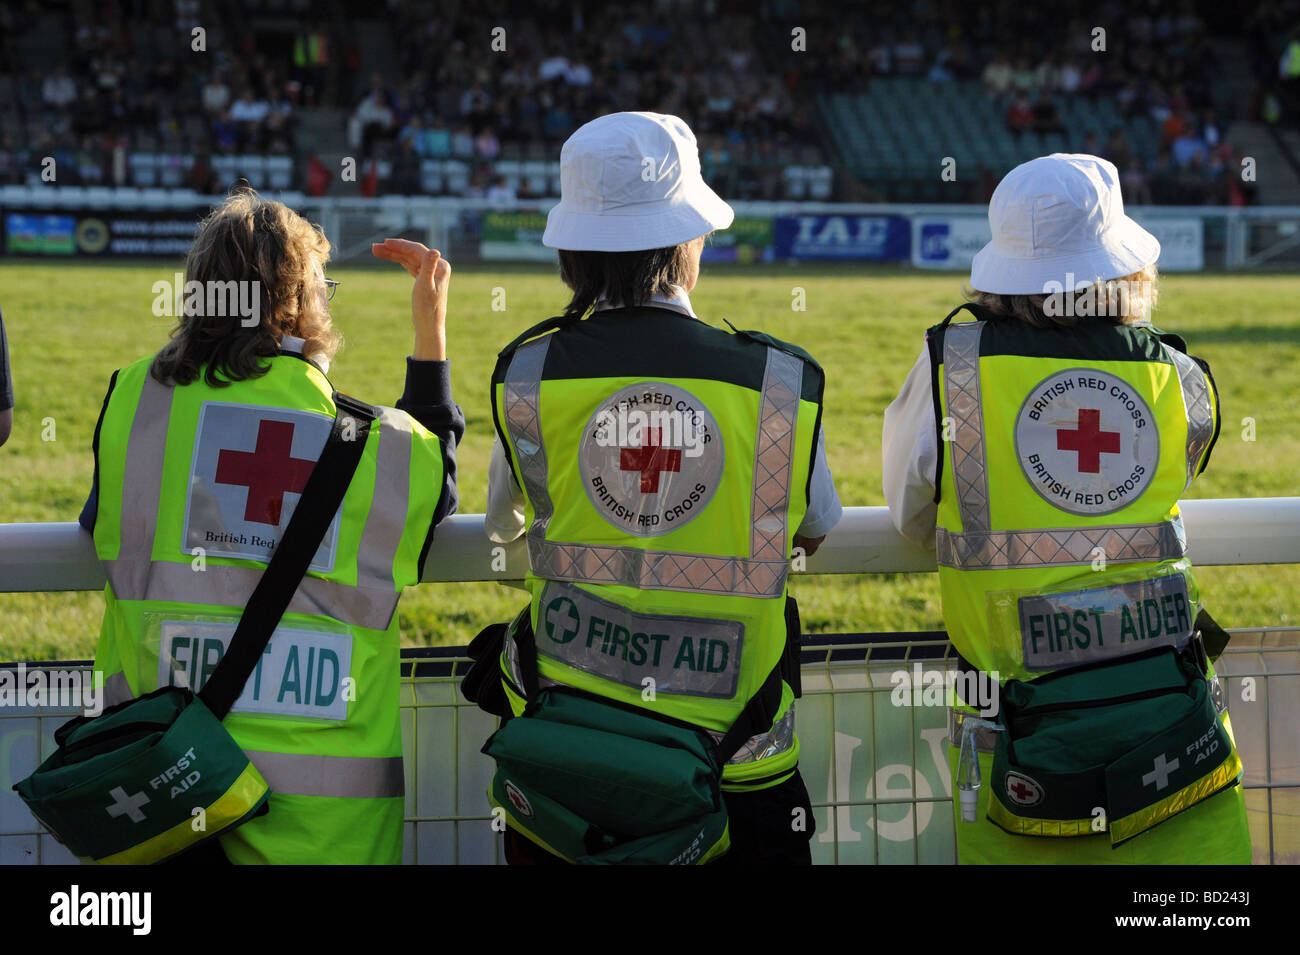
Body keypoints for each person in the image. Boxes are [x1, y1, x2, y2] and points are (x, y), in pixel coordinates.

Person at [482, 111, 842, 864]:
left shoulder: (528, 375)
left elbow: (503, 525)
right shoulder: (777, 382)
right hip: (737, 772)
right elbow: (815, 525)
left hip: (569, 764)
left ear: (571, 256)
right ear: (689, 245)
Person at [883, 154, 1251, 864]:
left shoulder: (950, 373)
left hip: (1023, 767)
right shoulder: (1177, 375)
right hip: (1180, 756)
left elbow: (910, 514)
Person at [80, 189, 464, 864]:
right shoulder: (375, 442)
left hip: (160, 814)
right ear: (305, 305)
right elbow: (433, 492)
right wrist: (430, 333)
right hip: (324, 840)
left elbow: (105, 521)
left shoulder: (134, 402)